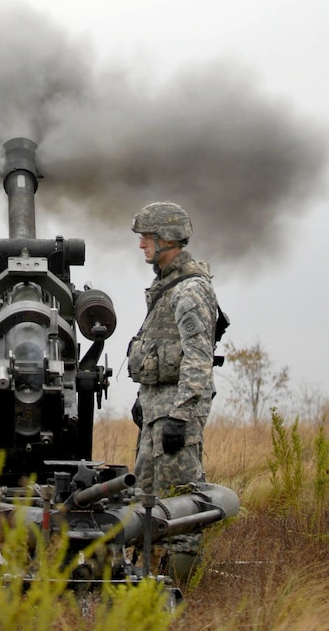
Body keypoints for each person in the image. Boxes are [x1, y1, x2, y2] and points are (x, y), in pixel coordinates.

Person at [127, 202, 219, 580]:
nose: (141, 246)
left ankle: (179, 587)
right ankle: (146, 582)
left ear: (166, 240)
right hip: (156, 411)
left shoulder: (189, 291)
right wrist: (143, 399)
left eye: (146, 238)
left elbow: (199, 360)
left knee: (181, 503)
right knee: (145, 502)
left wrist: (180, 416)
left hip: (173, 415)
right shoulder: (167, 288)